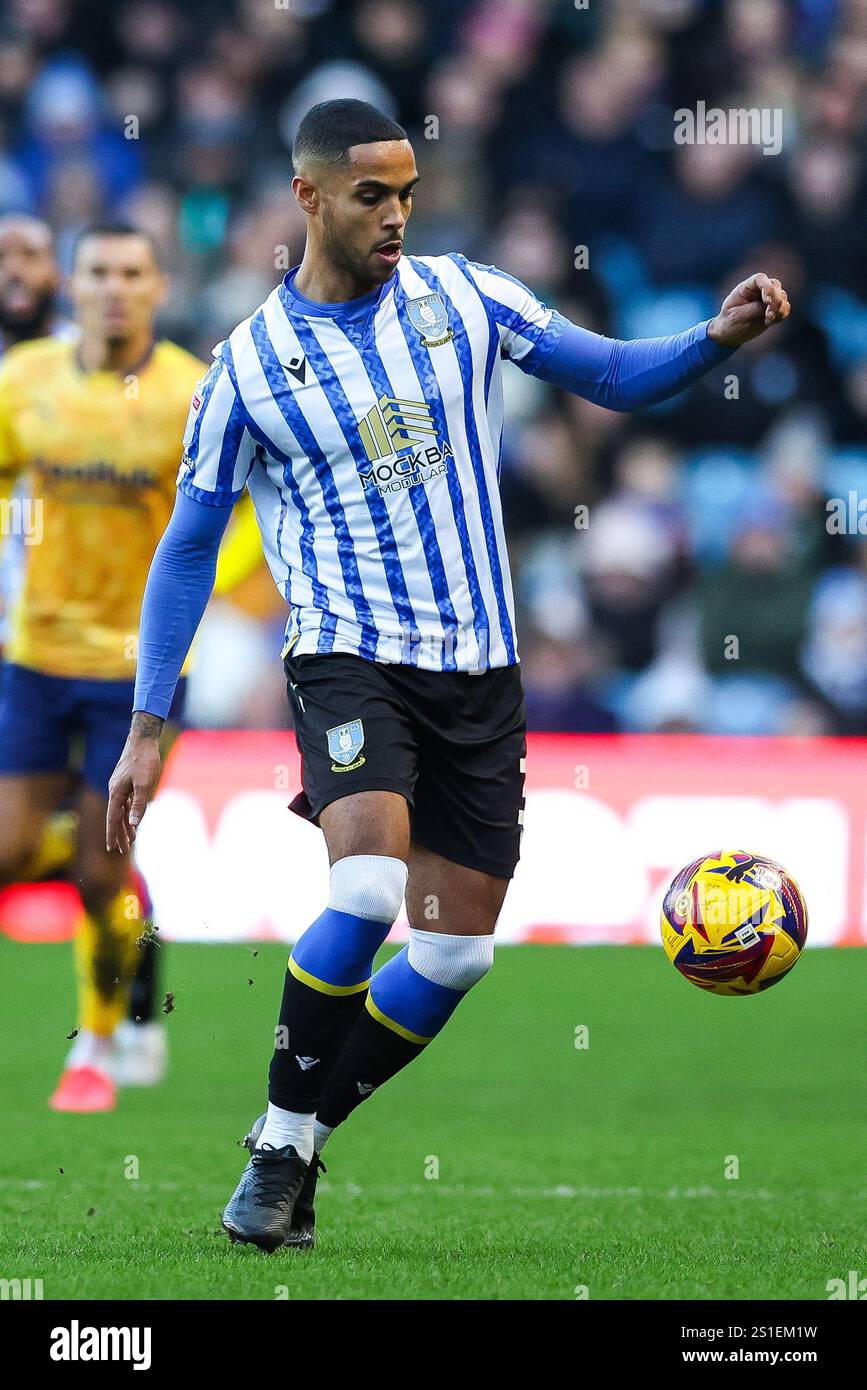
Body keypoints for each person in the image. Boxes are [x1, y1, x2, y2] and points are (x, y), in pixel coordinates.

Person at [106, 99, 790, 1251]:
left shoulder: (464, 295)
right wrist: (148, 718)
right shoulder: (249, 368)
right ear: (309, 197)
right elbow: (186, 548)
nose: (397, 215)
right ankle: (276, 1147)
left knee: (452, 953)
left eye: (410, 192)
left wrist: (713, 340)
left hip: (479, 665)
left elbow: (613, 377)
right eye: (373, 195)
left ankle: (302, 1141)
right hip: (346, 656)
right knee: (366, 889)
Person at [0, 222, 206, 1112]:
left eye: (132, 273)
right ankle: (124, 932)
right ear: (72, 286)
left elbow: (230, 522)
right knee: (10, 851)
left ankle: (97, 1043)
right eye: (98, 273)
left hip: (141, 673)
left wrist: (194, 608)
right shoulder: (24, 381)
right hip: (38, 654)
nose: (114, 288)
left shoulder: (190, 394)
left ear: (157, 287)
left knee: (99, 869)